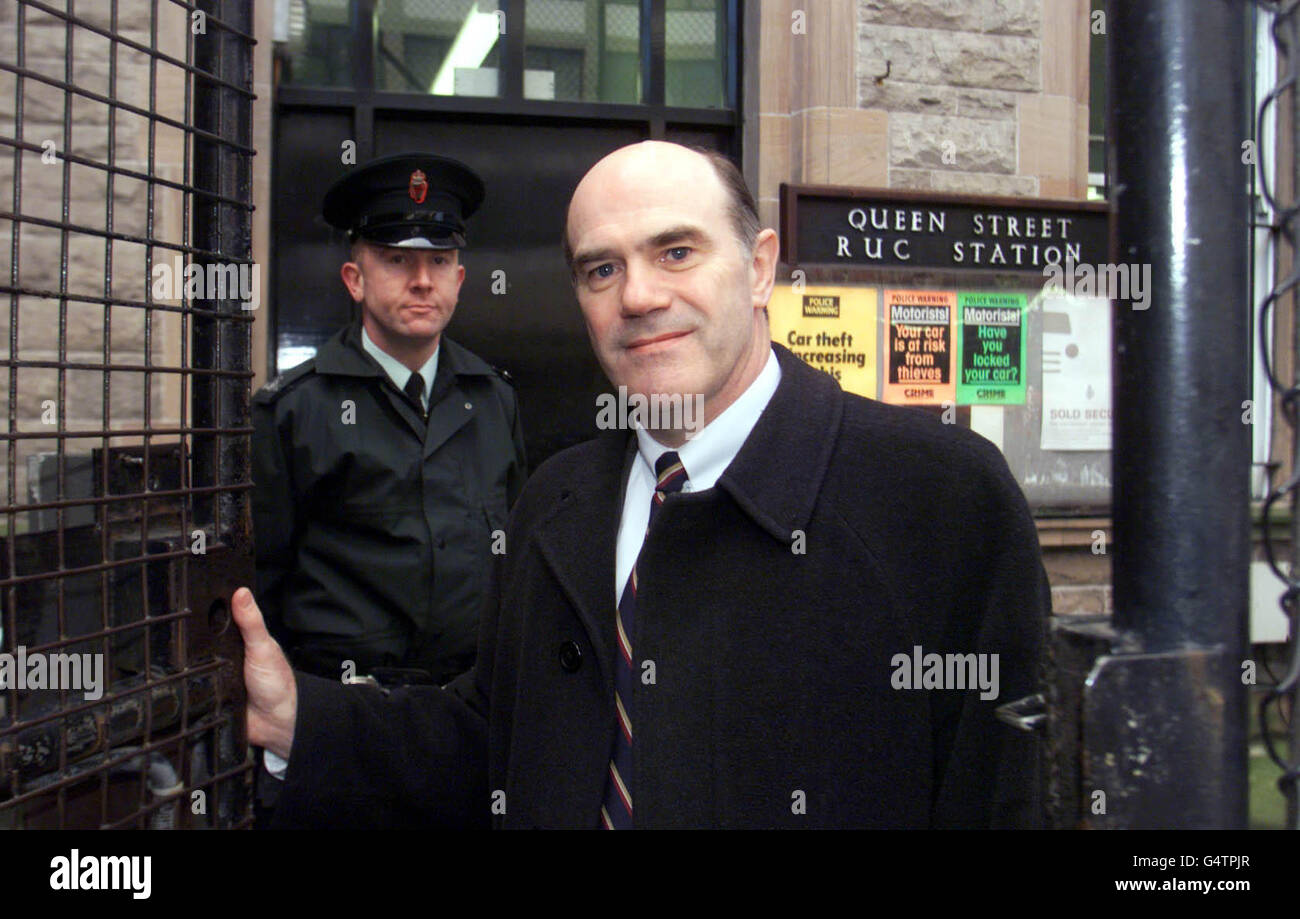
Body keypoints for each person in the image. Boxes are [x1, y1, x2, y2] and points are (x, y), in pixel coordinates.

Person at [235, 141, 1048, 829]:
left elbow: (1000, 795)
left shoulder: (938, 499)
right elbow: (493, 734)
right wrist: (309, 720)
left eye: (677, 251)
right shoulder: (557, 502)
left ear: (760, 267)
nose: (639, 296)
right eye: (601, 269)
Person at [251, 153, 527, 690]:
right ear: (355, 279)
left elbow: (513, 556)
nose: (423, 281)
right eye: (397, 260)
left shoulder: (494, 400)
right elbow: (263, 578)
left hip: (471, 706)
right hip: (344, 709)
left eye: (440, 261)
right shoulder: (293, 410)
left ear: (461, 277)